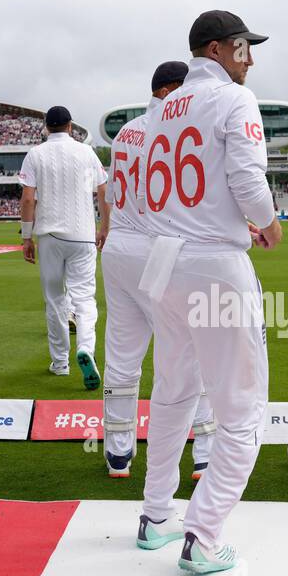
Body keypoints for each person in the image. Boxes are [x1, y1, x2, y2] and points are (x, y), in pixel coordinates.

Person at [136, 10, 282, 574]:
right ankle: (203, 534)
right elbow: (247, 178)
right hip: (213, 263)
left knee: (173, 391)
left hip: (163, 261)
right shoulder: (234, 100)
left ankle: (155, 517)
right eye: (246, 47)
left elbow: (152, 199)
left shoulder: (159, 109)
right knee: (242, 408)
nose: (252, 58)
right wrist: (267, 222)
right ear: (219, 49)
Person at [102, 61, 216, 481]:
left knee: (122, 356)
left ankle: (118, 454)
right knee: (192, 351)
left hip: (118, 247)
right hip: (160, 248)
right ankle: (203, 453)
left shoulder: (123, 131)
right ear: (170, 90)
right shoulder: (175, 126)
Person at [18, 106, 108, 389]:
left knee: (55, 299)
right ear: (70, 127)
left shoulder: (36, 154)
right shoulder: (86, 152)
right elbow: (104, 190)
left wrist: (26, 237)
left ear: (46, 127)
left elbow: (28, 199)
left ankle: (60, 363)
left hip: (50, 237)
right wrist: (105, 227)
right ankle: (86, 348)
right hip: (82, 234)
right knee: (84, 297)